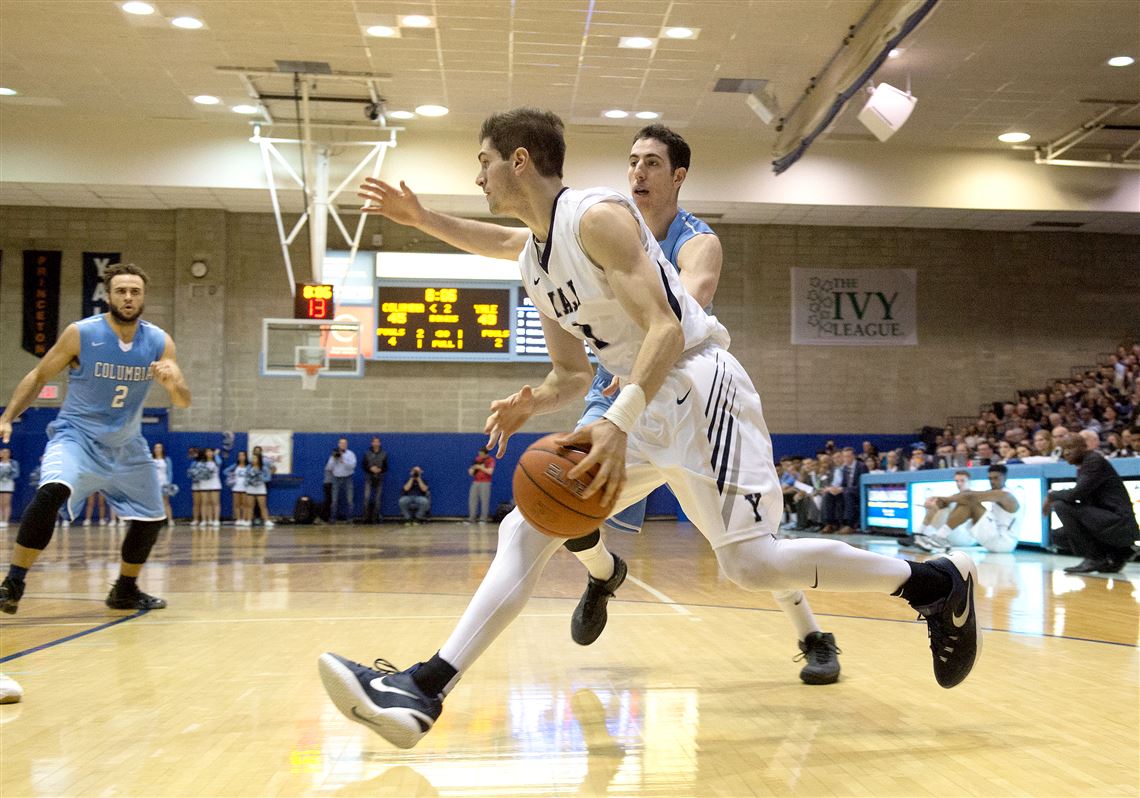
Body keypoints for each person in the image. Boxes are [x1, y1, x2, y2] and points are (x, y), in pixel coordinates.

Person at [319, 108, 979, 750]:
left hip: (698, 387)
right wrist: (534, 403)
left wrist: (619, 419)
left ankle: (934, 581)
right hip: (640, 402)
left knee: (751, 565)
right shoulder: (536, 264)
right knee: (527, 525)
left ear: (519, 161)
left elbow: (667, 327)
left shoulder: (597, 216)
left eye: (484, 163)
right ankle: (424, 689)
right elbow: (572, 376)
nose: (478, 177)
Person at [356, 122, 843, 683]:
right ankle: (597, 576)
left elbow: (686, 307)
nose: (638, 170)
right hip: (614, 386)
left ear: (677, 176)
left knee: (744, 548)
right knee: (551, 507)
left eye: (653, 163)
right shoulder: (571, 232)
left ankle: (811, 631)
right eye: (633, 160)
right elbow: (512, 247)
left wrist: (638, 373)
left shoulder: (686, 237)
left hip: (680, 383)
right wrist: (423, 220)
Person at [0, 262, 191, 614]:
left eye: (135, 291)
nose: (128, 297)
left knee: (152, 518)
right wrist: (8, 416)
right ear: (108, 295)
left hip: (126, 444)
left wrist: (173, 384)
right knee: (51, 492)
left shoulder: (159, 341)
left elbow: (182, 400)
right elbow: (39, 375)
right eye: (121, 290)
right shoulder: (81, 333)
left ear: (143, 296)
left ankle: (125, 589)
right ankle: (13, 582)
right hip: (77, 437)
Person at [1044, 434, 1139, 574]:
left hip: (1119, 522)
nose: (1066, 453)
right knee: (1058, 536)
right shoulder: (1085, 464)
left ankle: (1095, 558)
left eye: (1070, 448)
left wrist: (1051, 495)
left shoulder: (1094, 461)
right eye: (1063, 449)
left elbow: (1075, 494)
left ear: (1084, 447)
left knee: (1061, 506)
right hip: (1109, 520)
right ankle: (1121, 553)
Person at [915, 466, 1021, 553]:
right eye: (990, 478)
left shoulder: (1007, 496)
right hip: (993, 537)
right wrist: (940, 500)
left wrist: (944, 499)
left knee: (969, 502)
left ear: (1005, 478)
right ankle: (927, 534)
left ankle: (937, 536)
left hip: (1004, 543)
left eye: (996, 478)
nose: (992, 481)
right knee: (955, 502)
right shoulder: (993, 492)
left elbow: (970, 497)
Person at [325, 438, 357, 524]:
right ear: (338, 444)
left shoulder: (350, 454)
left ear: (347, 444)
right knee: (334, 500)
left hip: (348, 478)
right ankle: (333, 518)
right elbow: (328, 468)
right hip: (336, 478)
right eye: (341, 443)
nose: (343, 445)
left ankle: (350, 519)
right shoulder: (333, 454)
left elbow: (352, 466)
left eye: (344, 443)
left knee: (350, 499)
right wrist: (334, 460)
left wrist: (343, 460)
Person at [361, 436, 388, 523]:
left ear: (379, 443)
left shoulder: (384, 454)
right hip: (369, 478)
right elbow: (363, 466)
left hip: (379, 478)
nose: (376, 443)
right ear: (372, 443)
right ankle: (365, 517)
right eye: (374, 442)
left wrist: (380, 470)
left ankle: (375, 518)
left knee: (377, 499)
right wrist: (370, 469)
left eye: (377, 442)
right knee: (366, 497)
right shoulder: (367, 453)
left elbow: (386, 467)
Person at [467, 446, 496, 523]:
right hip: (475, 482)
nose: (480, 455)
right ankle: (472, 518)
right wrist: (473, 469)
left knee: (484, 501)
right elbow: (471, 471)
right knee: (472, 500)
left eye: (481, 454)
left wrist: (480, 467)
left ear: (485, 453)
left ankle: (483, 519)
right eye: (479, 454)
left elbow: (490, 472)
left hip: (485, 482)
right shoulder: (477, 459)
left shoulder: (490, 460)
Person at [245, 452, 274, 528]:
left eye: (255, 458)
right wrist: (249, 481)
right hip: (251, 488)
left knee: (263, 506)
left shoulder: (264, 468)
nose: (253, 459)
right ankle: (248, 520)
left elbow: (268, 478)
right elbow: (246, 476)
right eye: (252, 458)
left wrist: (260, 479)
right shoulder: (248, 467)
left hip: (260, 488)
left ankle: (266, 521)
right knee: (250, 506)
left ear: (259, 459)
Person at [224, 450, 252, 527]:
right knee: (236, 504)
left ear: (246, 457)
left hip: (245, 488)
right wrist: (232, 474)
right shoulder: (235, 466)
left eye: (243, 455)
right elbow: (225, 471)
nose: (241, 457)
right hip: (236, 487)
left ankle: (244, 519)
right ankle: (238, 519)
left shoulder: (249, 466)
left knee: (245, 504)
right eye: (239, 456)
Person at [151, 442, 175, 525]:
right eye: (156, 448)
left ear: (162, 449)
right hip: (153, 484)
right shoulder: (150, 460)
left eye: (159, 447)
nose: (157, 449)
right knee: (154, 502)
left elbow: (170, 472)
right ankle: (155, 520)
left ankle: (170, 520)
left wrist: (169, 483)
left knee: (166, 502)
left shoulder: (166, 459)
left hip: (164, 483)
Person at [0, 449, 19, 529]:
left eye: (7, 452)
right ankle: (0, 520)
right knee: (0, 503)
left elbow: (16, 473)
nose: (5, 454)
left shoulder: (13, 463)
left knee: (6, 503)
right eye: (3, 452)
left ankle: (6, 520)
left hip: (8, 483)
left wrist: (8, 477)